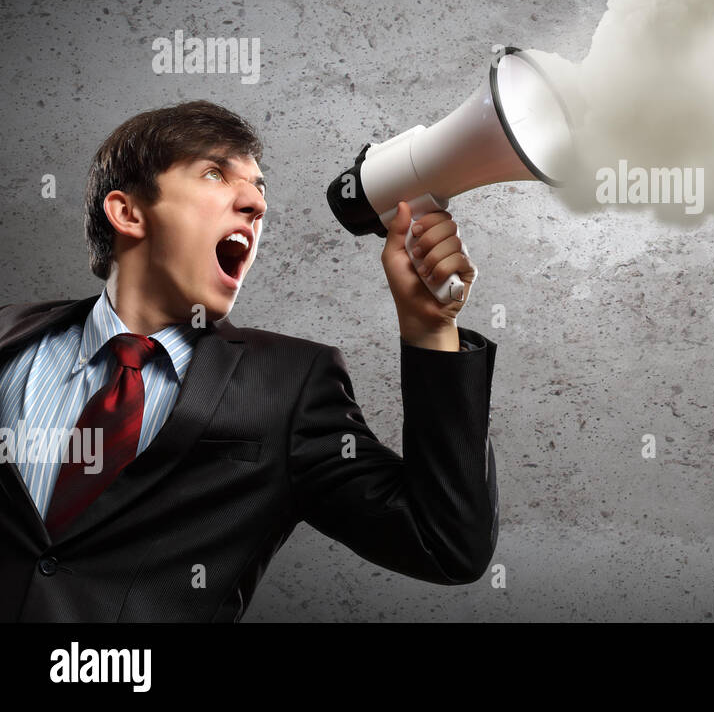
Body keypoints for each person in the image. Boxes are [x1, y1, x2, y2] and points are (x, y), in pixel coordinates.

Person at [0, 100, 498, 621]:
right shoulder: (10, 341)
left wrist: (430, 329)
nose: (255, 205)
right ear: (127, 213)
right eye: (215, 174)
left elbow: (447, 543)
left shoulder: (290, 385)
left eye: (259, 189)